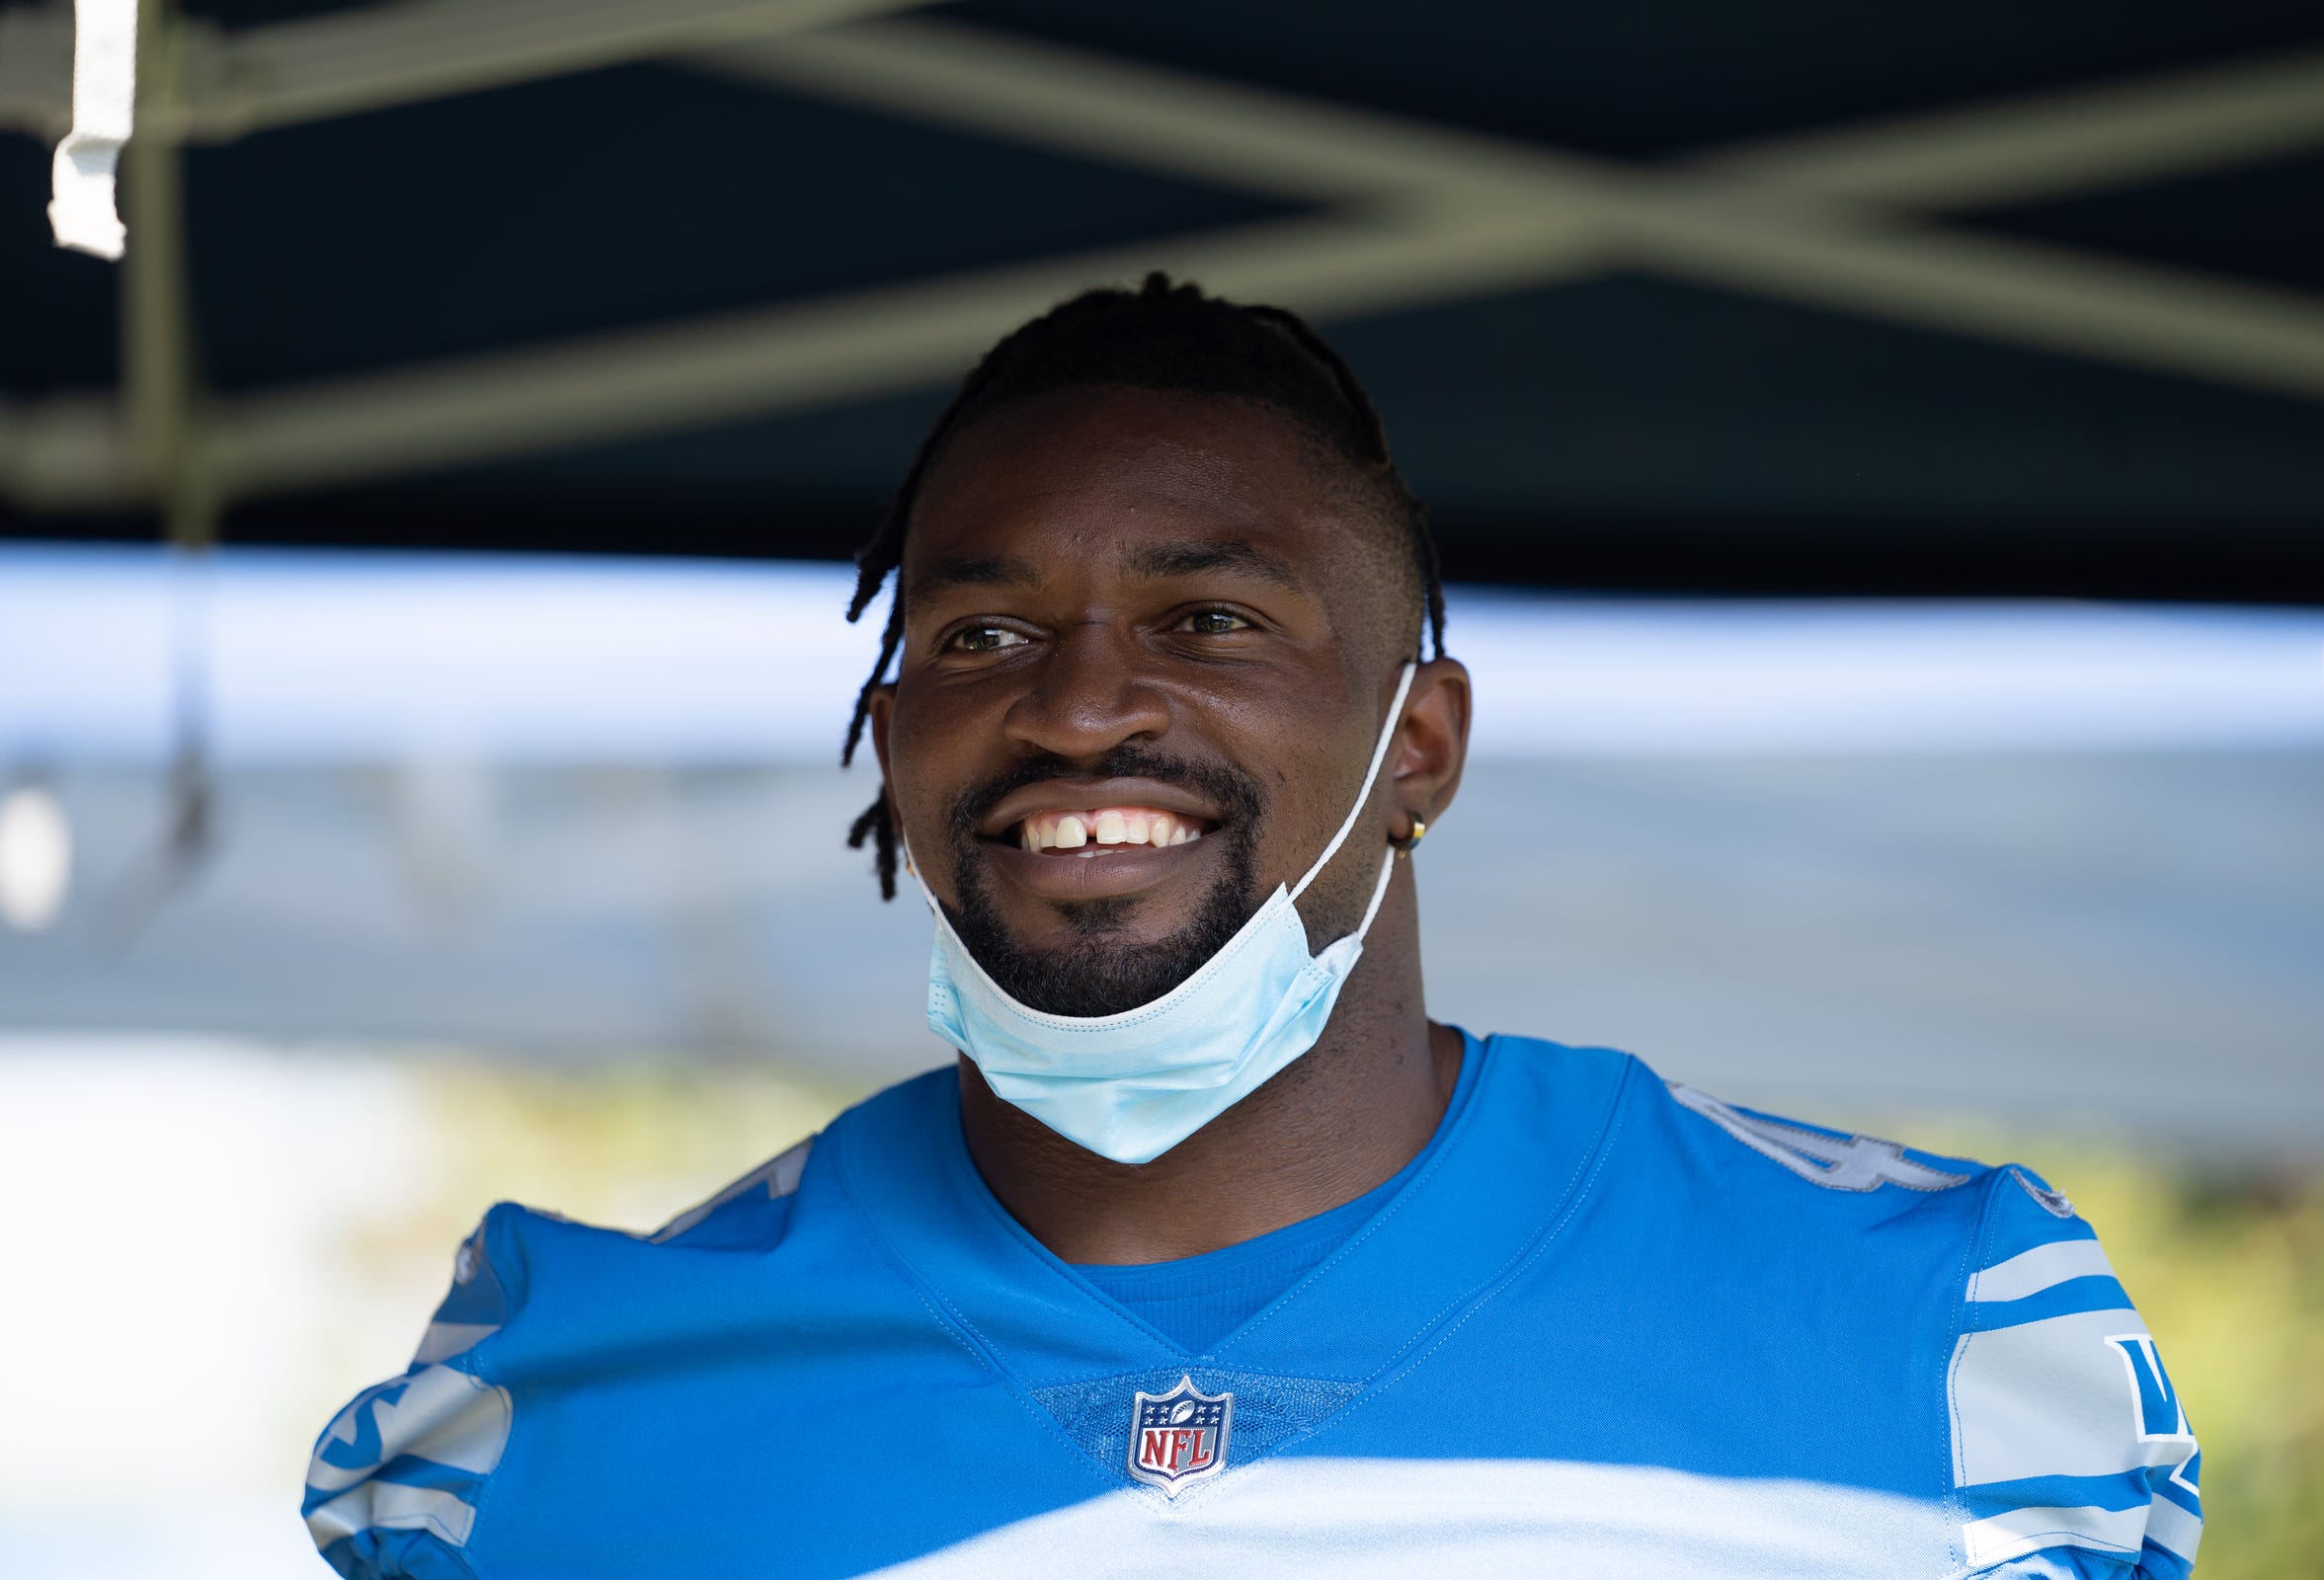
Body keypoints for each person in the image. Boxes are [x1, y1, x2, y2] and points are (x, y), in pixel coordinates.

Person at [302, 276, 2202, 1579]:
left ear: (1419, 746)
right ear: (894, 744)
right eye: (981, 634)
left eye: (1210, 619)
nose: (1079, 703)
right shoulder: (555, 1416)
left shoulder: (1930, 1335)